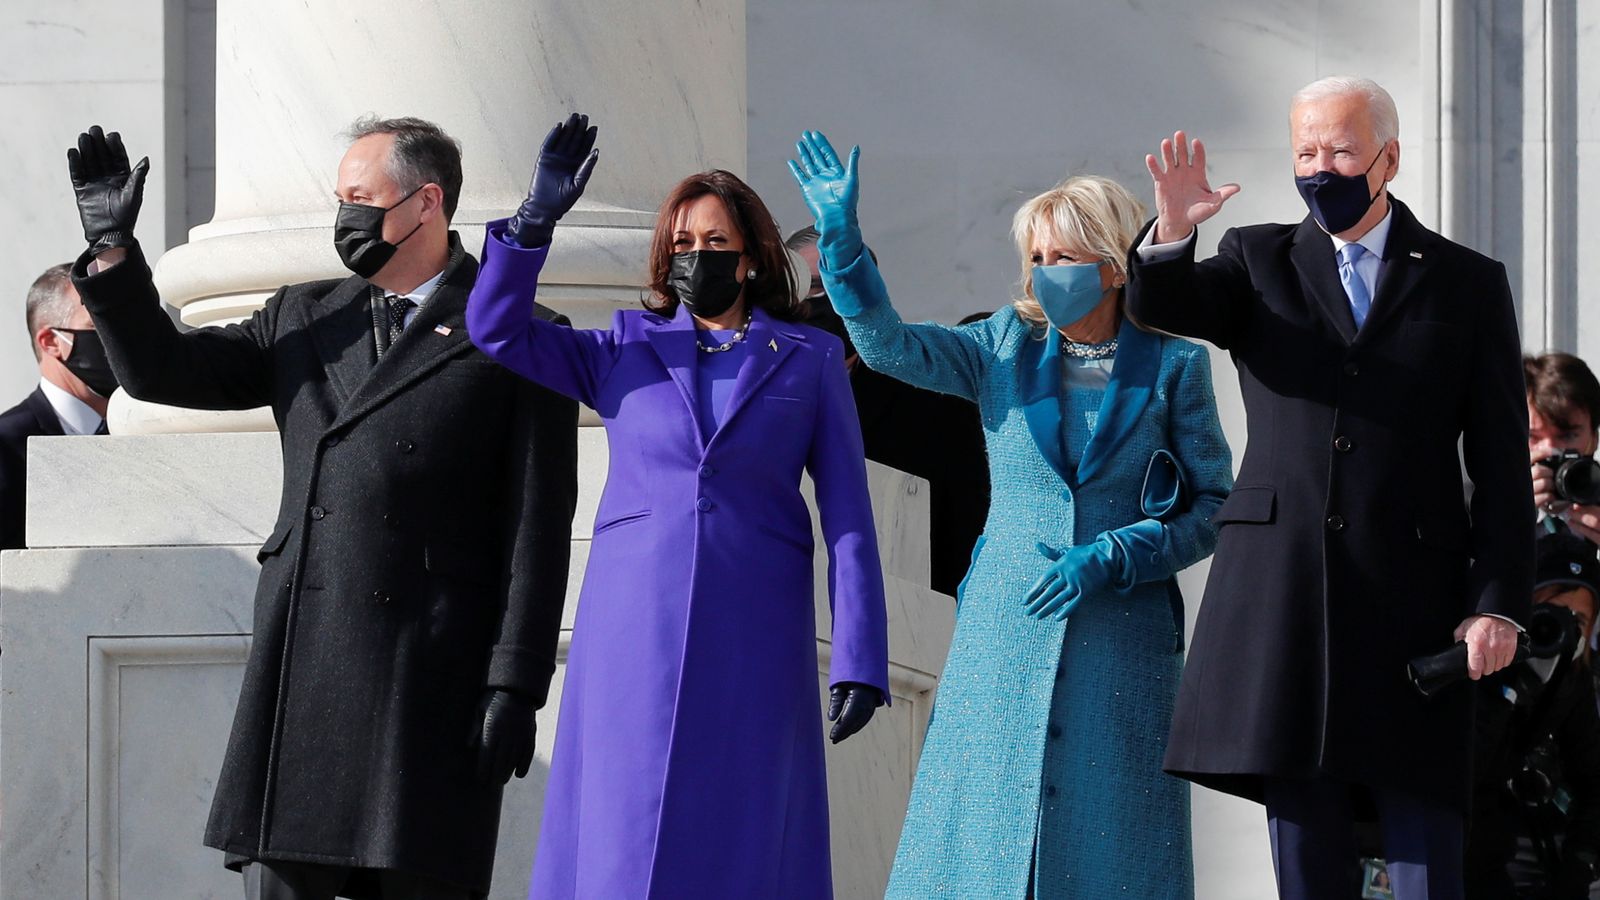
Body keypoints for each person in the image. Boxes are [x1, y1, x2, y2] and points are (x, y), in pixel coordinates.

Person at [65, 120, 578, 900]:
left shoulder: (517, 334)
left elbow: (536, 529)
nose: (345, 217)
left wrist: (516, 684)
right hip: (306, 663)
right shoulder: (304, 317)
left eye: (360, 197)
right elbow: (162, 371)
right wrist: (112, 252)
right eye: (340, 199)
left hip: (432, 673)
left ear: (426, 202)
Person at [789, 130, 1233, 897]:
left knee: (1109, 847)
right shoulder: (1002, 345)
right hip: (1006, 628)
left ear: (1113, 263)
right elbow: (890, 348)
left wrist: (1122, 552)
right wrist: (842, 247)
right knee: (985, 845)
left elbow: (1214, 506)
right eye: (1037, 257)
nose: (1046, 272)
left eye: (1064, 256)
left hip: (1121, 642)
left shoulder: (1176, 364)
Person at [1128, 75, 1533, 899]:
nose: (1321, 169)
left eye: (1342, 151)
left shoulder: (1465, 281)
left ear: (1389, 158)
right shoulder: (1256, 259)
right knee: (1307, 860)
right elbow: (1163, 304)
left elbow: (1500, 461)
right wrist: (1172, 232)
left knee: (1427, 863)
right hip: (1286, 602)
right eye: (1305, 151)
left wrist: (1497, 603)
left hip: (1416, 607)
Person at [465, 116, 889, 899]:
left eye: (716, 240)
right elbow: (494, 329)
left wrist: (861, 657)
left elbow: (850, 518)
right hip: (631, 625)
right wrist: (532, 224)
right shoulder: (621, 347)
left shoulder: (811, 358)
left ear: (751, 256)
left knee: (744, 827)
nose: (698, 255)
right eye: (684, 242)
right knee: (623, 826)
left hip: (756, 626)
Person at [786, 225, 991, 597]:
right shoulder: (748, 395)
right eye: (813, 287)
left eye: (841, 286)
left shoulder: (928, 400)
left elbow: (962, 519)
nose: (825, 301)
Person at [1466, 531, 1600, 900]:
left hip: (1493, 851)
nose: (1562, 628)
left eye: (1578, 620)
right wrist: (1509, 690)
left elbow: (1593, 782)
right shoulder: (1472, 660)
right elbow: (1463, 770)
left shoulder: (1571, 679)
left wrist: (1577, 867)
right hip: (1443, 837)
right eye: (1551, 609)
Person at [0, 263, 114, 550]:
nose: (119, 341)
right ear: (51, 341)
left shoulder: (137, 436)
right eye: (98, 325)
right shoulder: (7, 445)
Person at [1527, 352, 1600, 544]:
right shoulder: (1483, 505)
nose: (1549, 449)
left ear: (1594, 439)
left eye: (1567, 436)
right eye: (1532, 437)